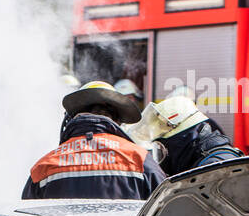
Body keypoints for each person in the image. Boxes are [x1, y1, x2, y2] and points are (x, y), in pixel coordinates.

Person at [22, 80, 166, 200]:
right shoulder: (140, 160)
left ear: (73, 117)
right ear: (118, 120)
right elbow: (165, 211)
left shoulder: (43, 167)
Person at [126, 93, 243, 176]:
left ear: (180, 138)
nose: (164, 158)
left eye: (161, 149)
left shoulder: (213, 168)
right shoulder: (207, 159)